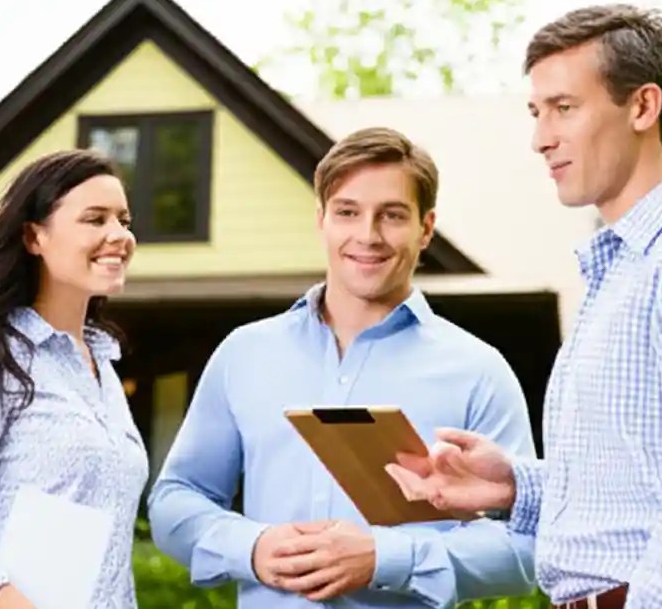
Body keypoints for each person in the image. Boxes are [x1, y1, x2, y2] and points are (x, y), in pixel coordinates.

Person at [385, 5, 662, 609]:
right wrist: (513, 485)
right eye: (537, 113)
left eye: (564, 107)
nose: (540, 139)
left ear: (643, 107)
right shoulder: (623, 269)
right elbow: (637, 487)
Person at [147, 127, 539, 608]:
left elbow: (523, 548)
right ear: (322, 220)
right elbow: (175, 500)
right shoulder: (244, 354)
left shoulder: (478, 371)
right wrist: (253, 547)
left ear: (426, 228)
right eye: (347, 212)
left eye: (392, 215)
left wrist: (385, 557)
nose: (367, 236)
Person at [0, 149, 148, 609]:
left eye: (124, 220)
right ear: (34, 236)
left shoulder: (103, 367)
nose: (119, 235)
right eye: (95, 219)